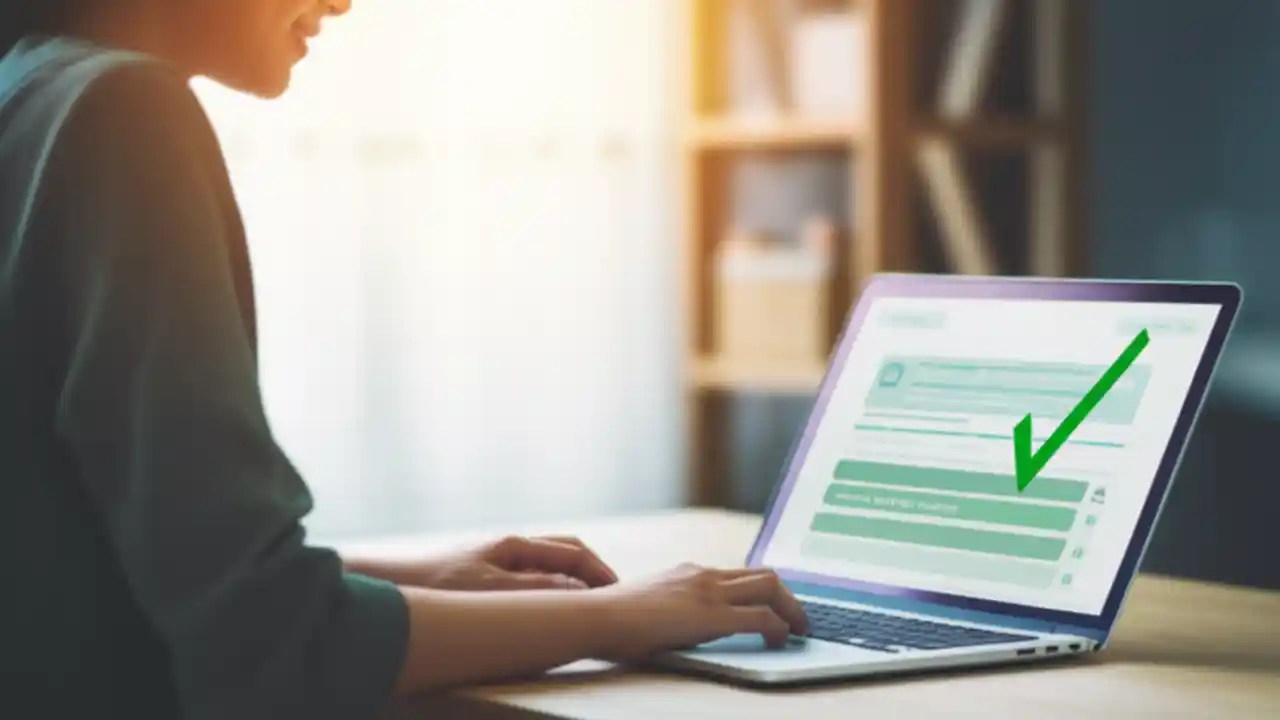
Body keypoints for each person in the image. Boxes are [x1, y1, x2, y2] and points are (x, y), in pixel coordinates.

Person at [0, 1, 808, 717]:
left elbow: (100, 554)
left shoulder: (29, 90)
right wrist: (632, 615)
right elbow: (274, 641)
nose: (344, 3)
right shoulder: (122, 113)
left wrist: (412, 577)